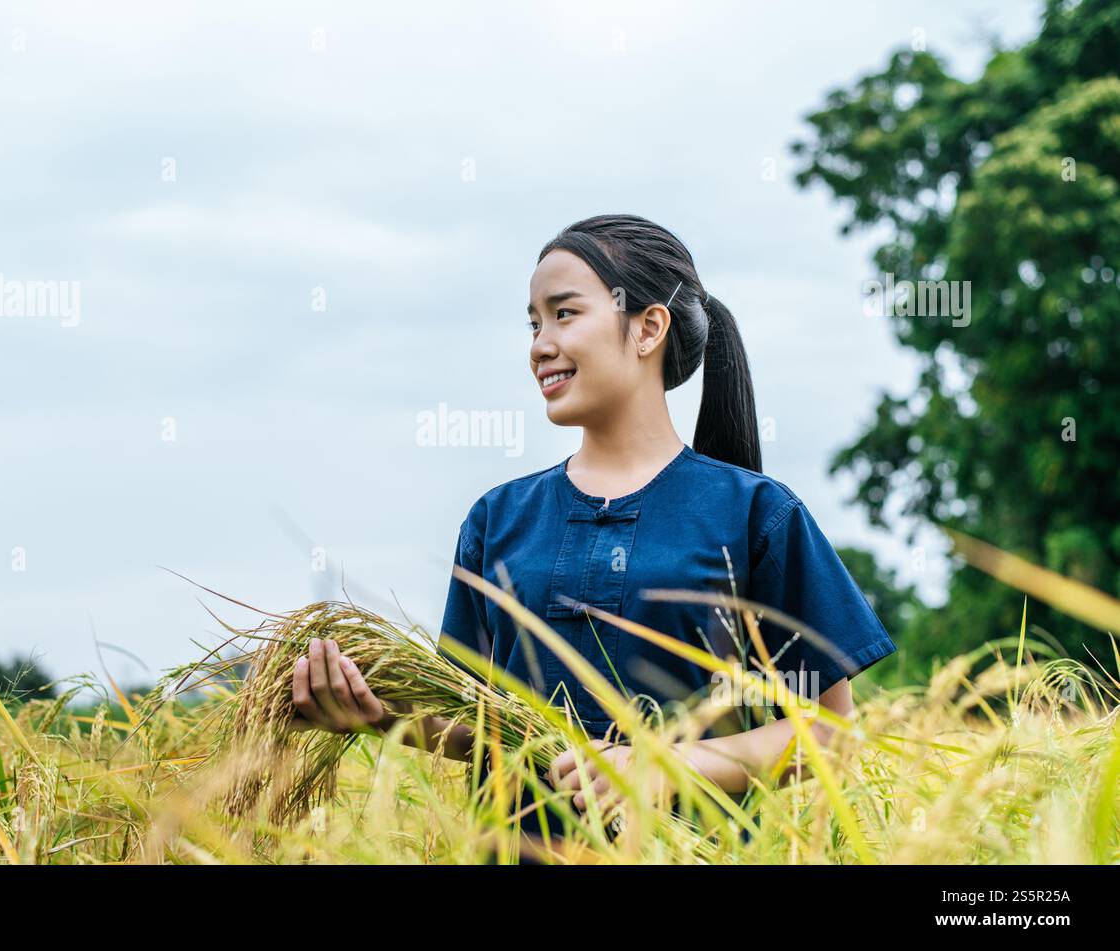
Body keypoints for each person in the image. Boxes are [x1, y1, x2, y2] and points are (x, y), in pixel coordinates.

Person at [291, 213, 898, 860]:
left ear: (647, 328)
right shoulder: (497, 519)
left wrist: (665, 765)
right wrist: (382, 716)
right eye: (533, 323)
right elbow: (476, 728)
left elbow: (827, 734)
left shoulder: (756, 515)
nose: (539, 344)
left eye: (564, 314)